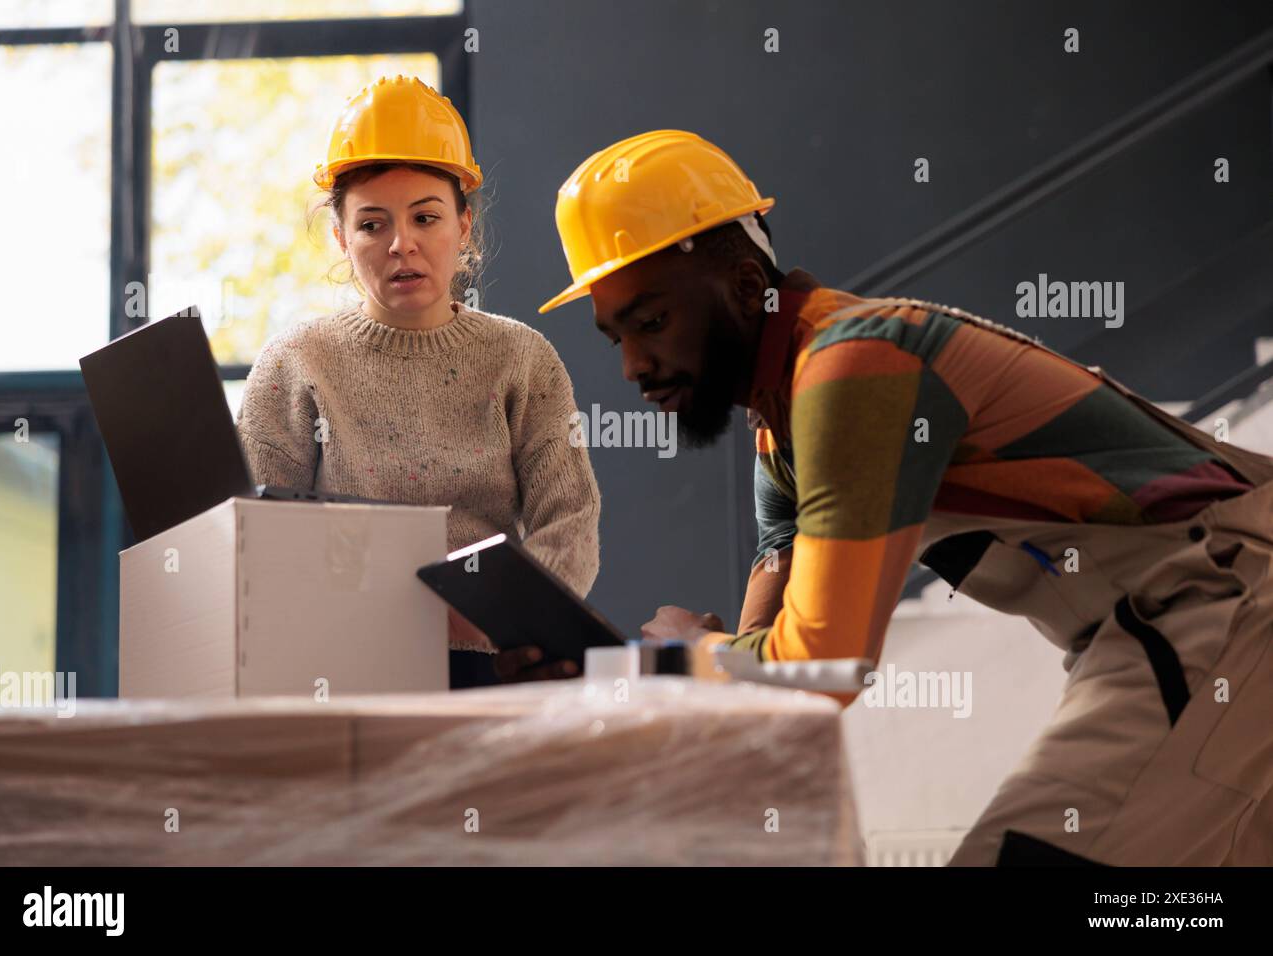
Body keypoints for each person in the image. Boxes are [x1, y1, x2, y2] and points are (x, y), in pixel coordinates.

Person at [538, 128, 1273, 865]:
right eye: (616, 339)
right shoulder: (782, 426)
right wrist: (620, 669)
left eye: (652, 322)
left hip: (1222, 604)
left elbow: (821, 666)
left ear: (739, 286)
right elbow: (775, 683)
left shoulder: (853, 367)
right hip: (1178, 624)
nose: (634, 366)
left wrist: (691, 656)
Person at [237, 75, 600, 687]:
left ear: (464, 227)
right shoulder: (296, 362)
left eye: (425, 217)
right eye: (372, 225)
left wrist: (495, 618)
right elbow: (253, 534)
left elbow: (570, 521)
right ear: (341, 238)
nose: (402, 244)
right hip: (341, 672)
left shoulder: (522, 357)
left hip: (494, 669)